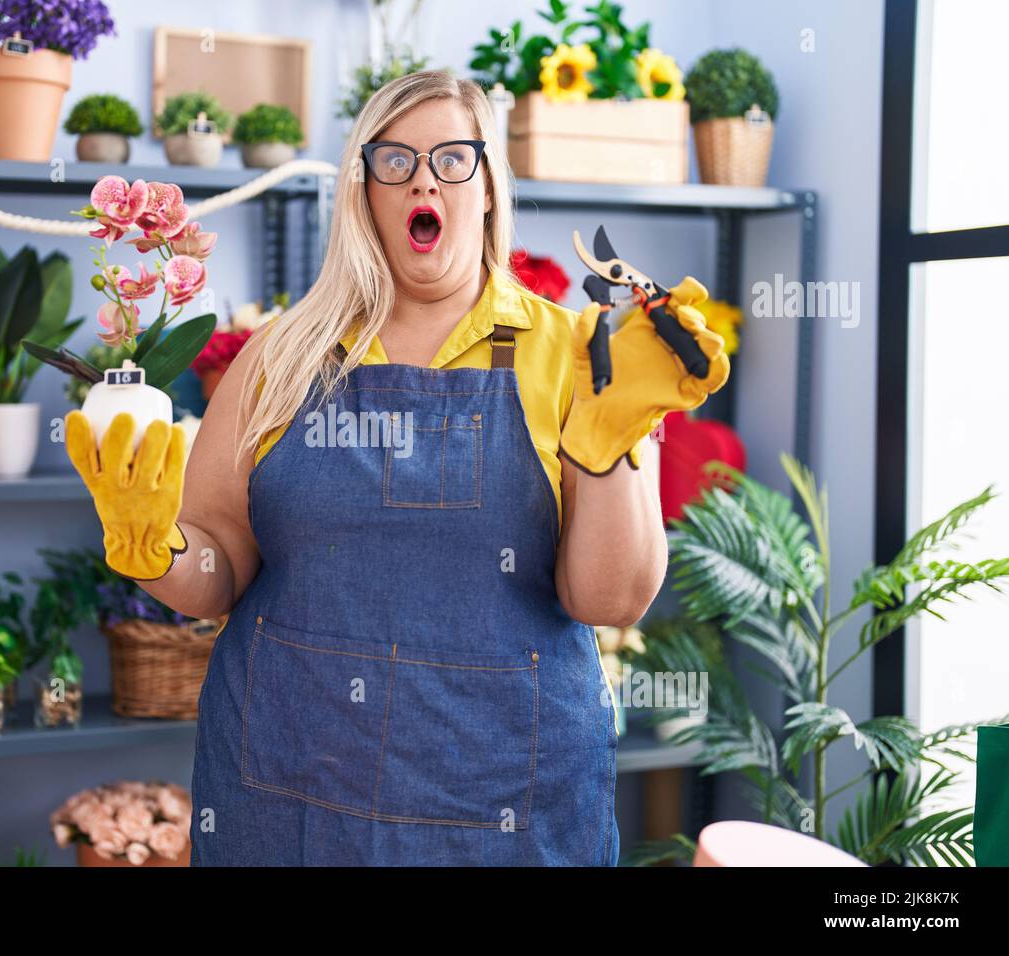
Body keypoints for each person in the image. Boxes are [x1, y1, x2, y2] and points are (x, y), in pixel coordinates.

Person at [64, 69, 729, 866]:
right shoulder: (281, 356)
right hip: (292, 803)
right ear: (365, 192)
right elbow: (219, 564)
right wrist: (157, 550)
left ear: (488, 187)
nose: (423, 178)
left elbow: (610, 598)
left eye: (453, 159)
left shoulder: (577, 357)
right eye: (394, 161)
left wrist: (614, 438)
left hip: (505, 813)